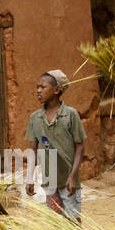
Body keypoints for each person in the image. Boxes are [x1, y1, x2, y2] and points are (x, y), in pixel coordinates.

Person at [24, 70, 85, 221]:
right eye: (37, 87)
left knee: (73, 222)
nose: (38, 90)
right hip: (49, 181)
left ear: (57, 90)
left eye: (43, 87)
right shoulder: (35, 118)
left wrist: (73, 175)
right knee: (55, 224)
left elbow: (80, 146)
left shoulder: (70, 115)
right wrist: (29, 177)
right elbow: (32, 149)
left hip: (68, 180)